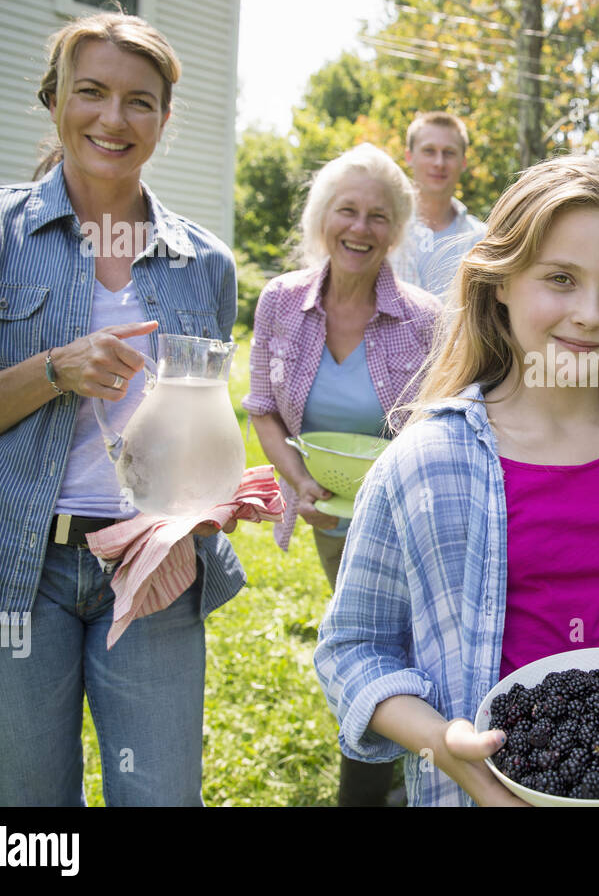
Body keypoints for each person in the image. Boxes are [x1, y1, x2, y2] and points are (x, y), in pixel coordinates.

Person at [315, 155, 599, 806]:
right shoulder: (422, 466)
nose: (588, 314)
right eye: (561, 278)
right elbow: (354, 650)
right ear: (501, 283)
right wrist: (445, 745)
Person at [0, 12, 242, 806]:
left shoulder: (206, 263)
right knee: (30, 810)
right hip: (3, 567)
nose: (113, 118)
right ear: (55, 100)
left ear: (165, 120)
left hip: (149, 566)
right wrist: (54, 370)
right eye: (91, 92)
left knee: (164, 798)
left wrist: (199, 510)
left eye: (139, 101)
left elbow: (198, 426)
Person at [243, 142, 442, 806]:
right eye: (346, 211)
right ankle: (381, 774)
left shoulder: (424, 320)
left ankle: (382, 785)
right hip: (328, 511)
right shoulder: (280, 302)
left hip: (409, 517)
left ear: (397, 228)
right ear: (322, 217)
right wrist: (297, 480)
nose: (360, 228)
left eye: (378, 216)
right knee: (362, 640)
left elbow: (441, 424)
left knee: (408, 645)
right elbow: (264, 410)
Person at [387, 111, 485, 302]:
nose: (439, 163)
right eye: (429, 151)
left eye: (449, 153)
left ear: (463, 161)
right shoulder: (383, 229)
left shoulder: (481, 240)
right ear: (409, 156)